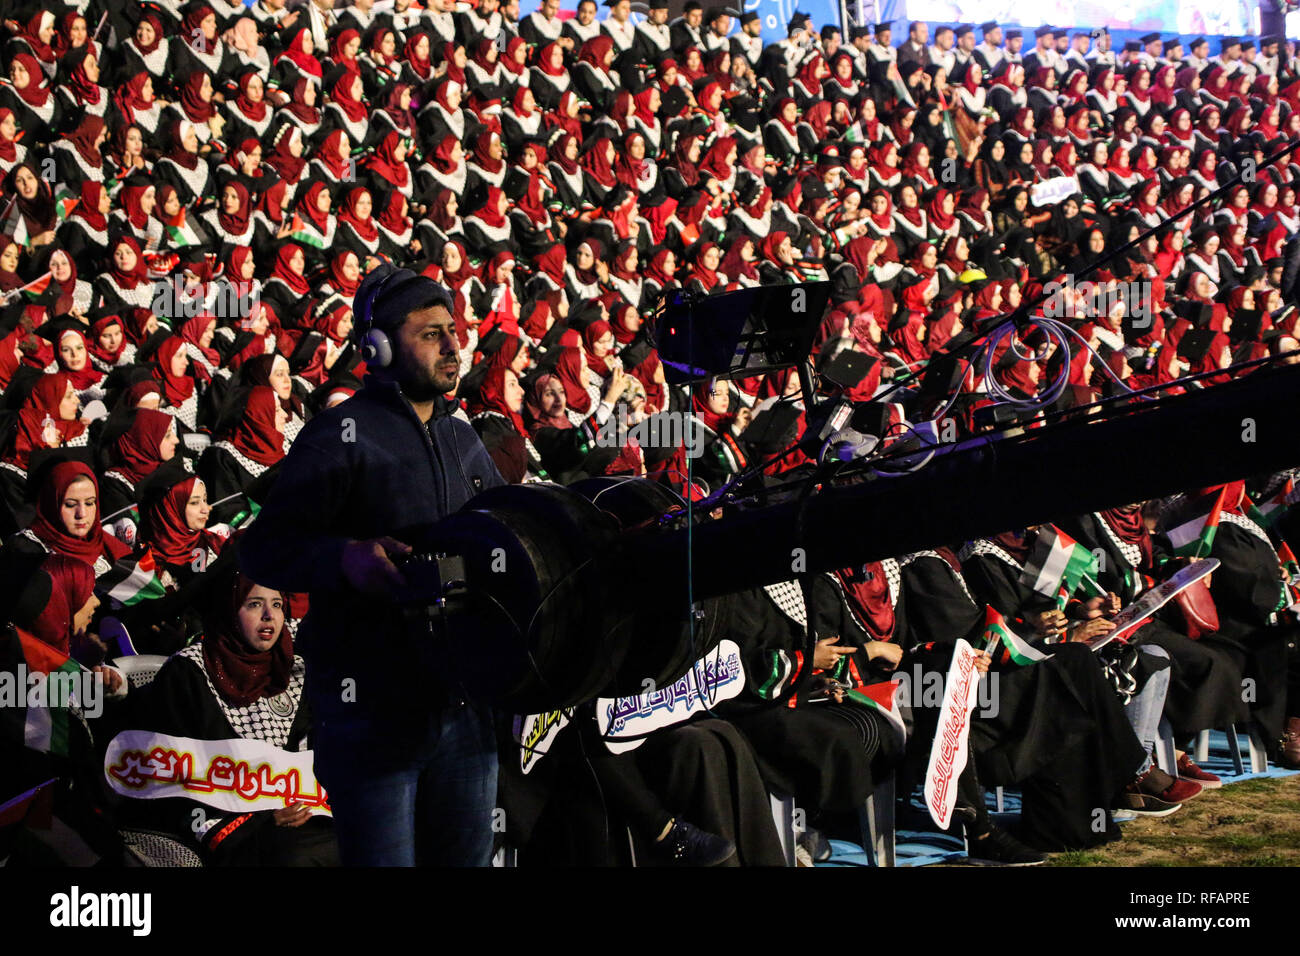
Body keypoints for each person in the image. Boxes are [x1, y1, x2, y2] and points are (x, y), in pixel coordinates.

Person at [241, 265, 506, 866]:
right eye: (431, 333)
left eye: (453, 330)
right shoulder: (338, 435)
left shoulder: (464, 438)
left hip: (464, 711)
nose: (452, 345)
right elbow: (263, 547)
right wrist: (343, 558)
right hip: (372, 719)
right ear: (378, 347)